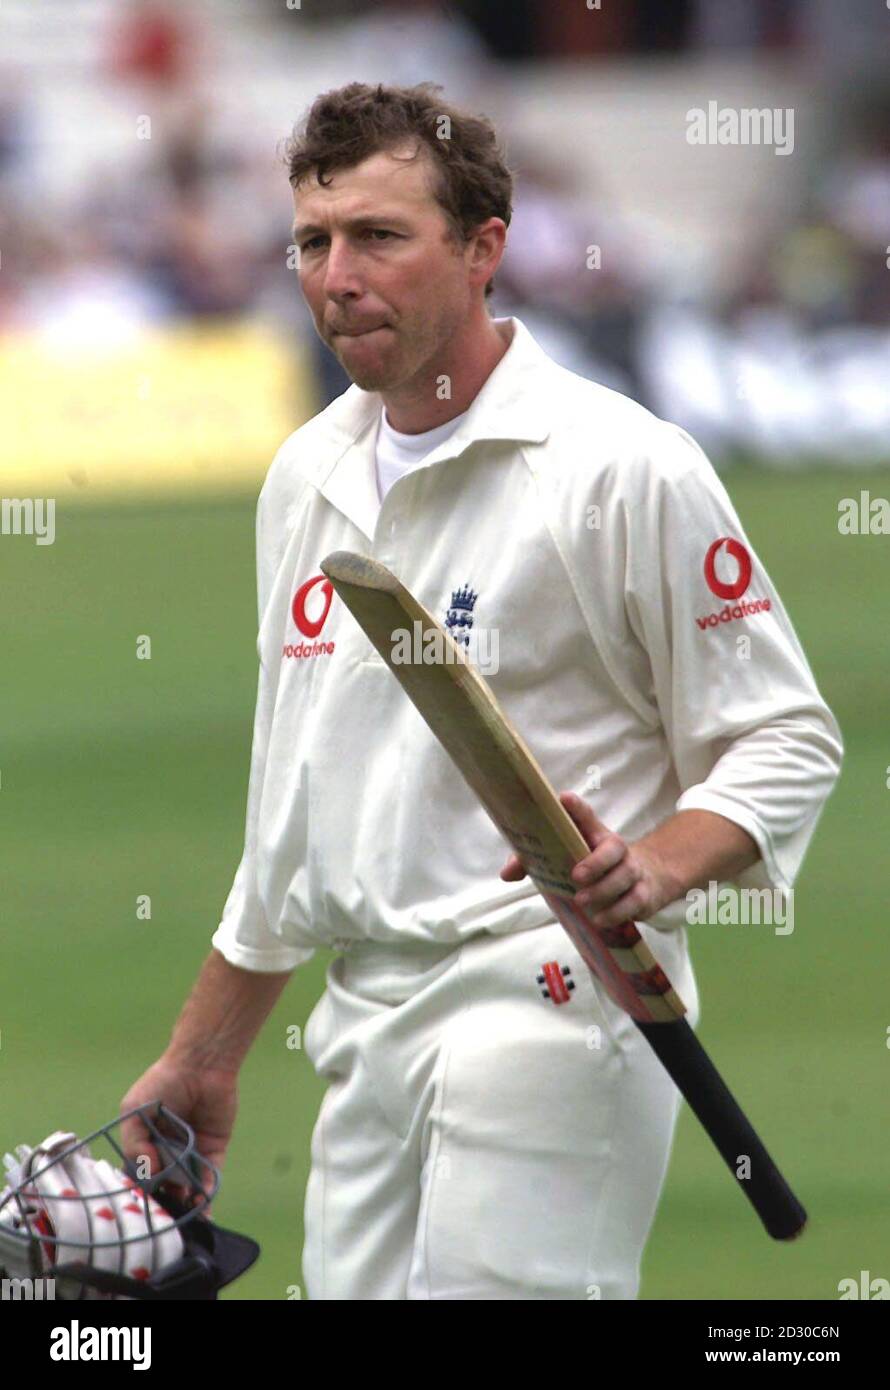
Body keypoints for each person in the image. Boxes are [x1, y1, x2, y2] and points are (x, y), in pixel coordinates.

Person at [121, 81, 843, 1300]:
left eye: (379, 238)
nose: (336, 274)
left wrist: (659, 861)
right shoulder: (307, 477)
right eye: (313, 241)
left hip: (553, 995)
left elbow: (786, 736)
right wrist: (204, 1055)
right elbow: (289, 814)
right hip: (365, 1018)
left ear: (483, 249)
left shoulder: (622, 467)